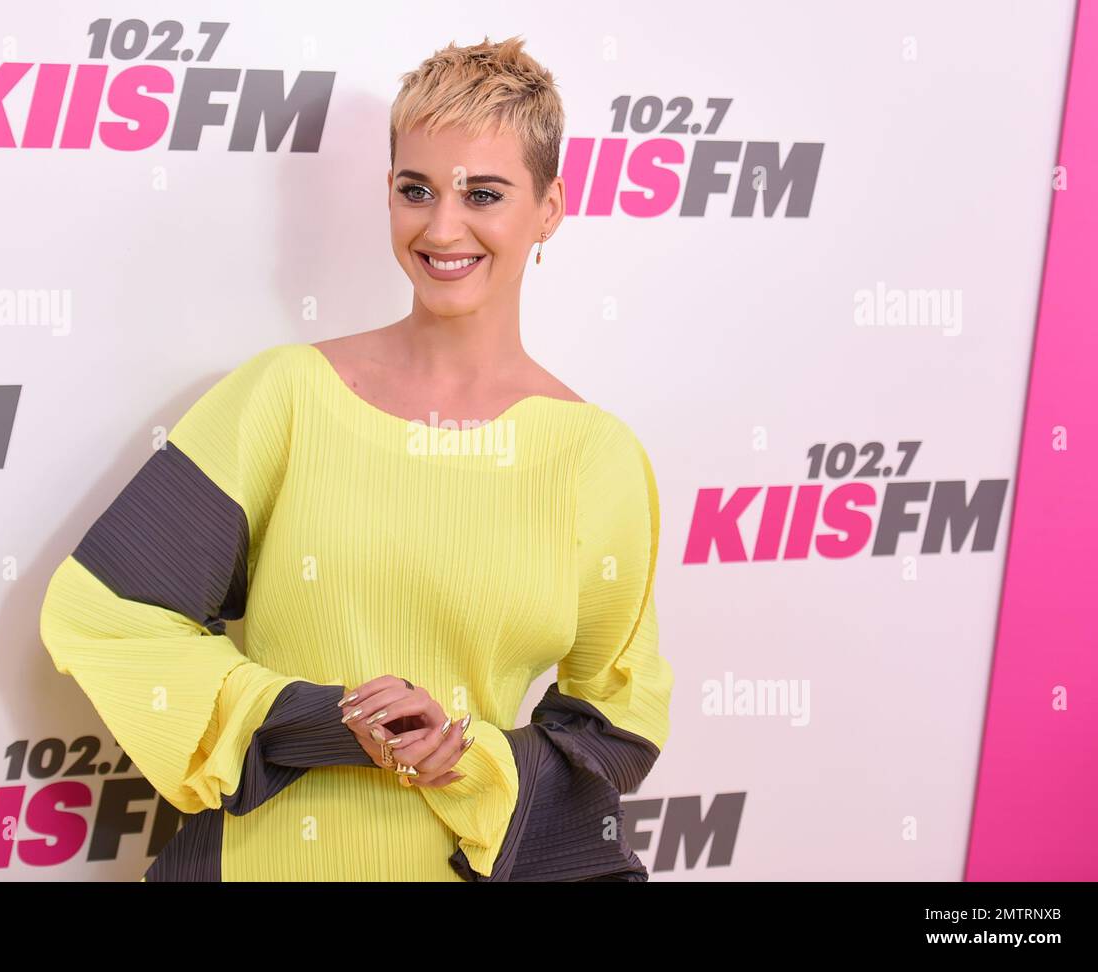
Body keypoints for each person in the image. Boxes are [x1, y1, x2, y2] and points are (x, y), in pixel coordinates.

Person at [38, 34, 674, 882]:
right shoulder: (284, 397)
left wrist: (463, 754)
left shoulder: (598, 458)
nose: (442, 227)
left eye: (484, 193)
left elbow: (615, 723)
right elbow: (105, 613)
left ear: (550, 207)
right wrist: (324, 721)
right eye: (417, 190)